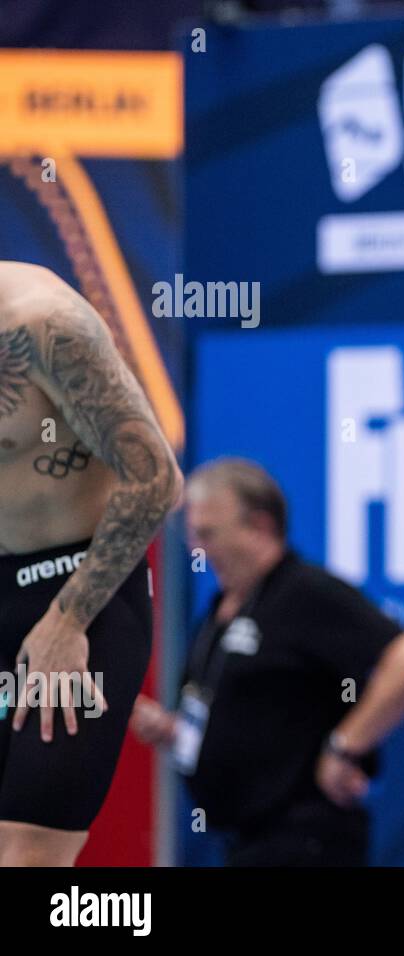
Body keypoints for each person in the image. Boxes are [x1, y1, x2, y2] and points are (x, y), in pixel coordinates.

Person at [130, 457, 404, 866]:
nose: (197, 551)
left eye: (208, 534)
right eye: (192, 536)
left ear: (259, 527)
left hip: (305, 841)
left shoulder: (305, 593)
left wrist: (344, 746)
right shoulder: (223, 609)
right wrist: (173, 731)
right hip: (244, 842)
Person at [0, 260, 184, 866]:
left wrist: (67, 620)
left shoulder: (47, 324)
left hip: (77, 596)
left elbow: (156, 481)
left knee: (26, 854)